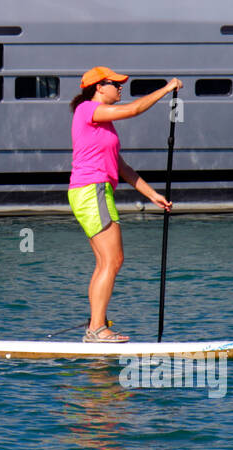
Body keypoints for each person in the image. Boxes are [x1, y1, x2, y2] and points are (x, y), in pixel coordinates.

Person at [68, 67, 183, 342]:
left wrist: (152, 194)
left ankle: (95, 326)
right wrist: (166, 90)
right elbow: (134, 110)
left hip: (94, 190)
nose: (120, 88)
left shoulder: (105, 124)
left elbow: (122, 168)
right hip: (91, 190)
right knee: (113, 259)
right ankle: (97, 329)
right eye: (115, 84)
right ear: (99, 87)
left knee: (105, 262)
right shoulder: (87, 109)